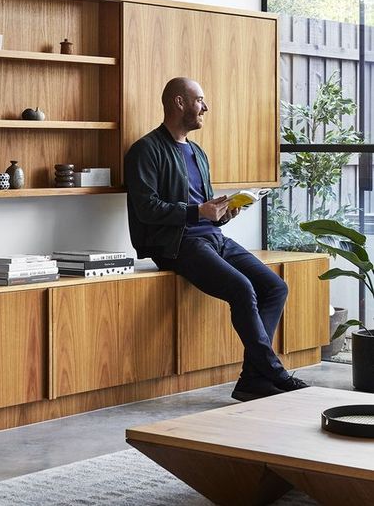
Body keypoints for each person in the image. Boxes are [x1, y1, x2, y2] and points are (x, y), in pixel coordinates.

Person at [124, 77, 308, 402]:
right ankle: (272, 373)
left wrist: (223, 212)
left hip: (213, 237)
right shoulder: (145, 150)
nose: (205, 107)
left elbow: (203, 206)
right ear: (179, 102)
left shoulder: (197, 152)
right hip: (178, 245)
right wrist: (198, 213)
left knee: (275, 287)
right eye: (200, 100)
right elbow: (146, 208)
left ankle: (254, 377)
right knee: (242, 288)